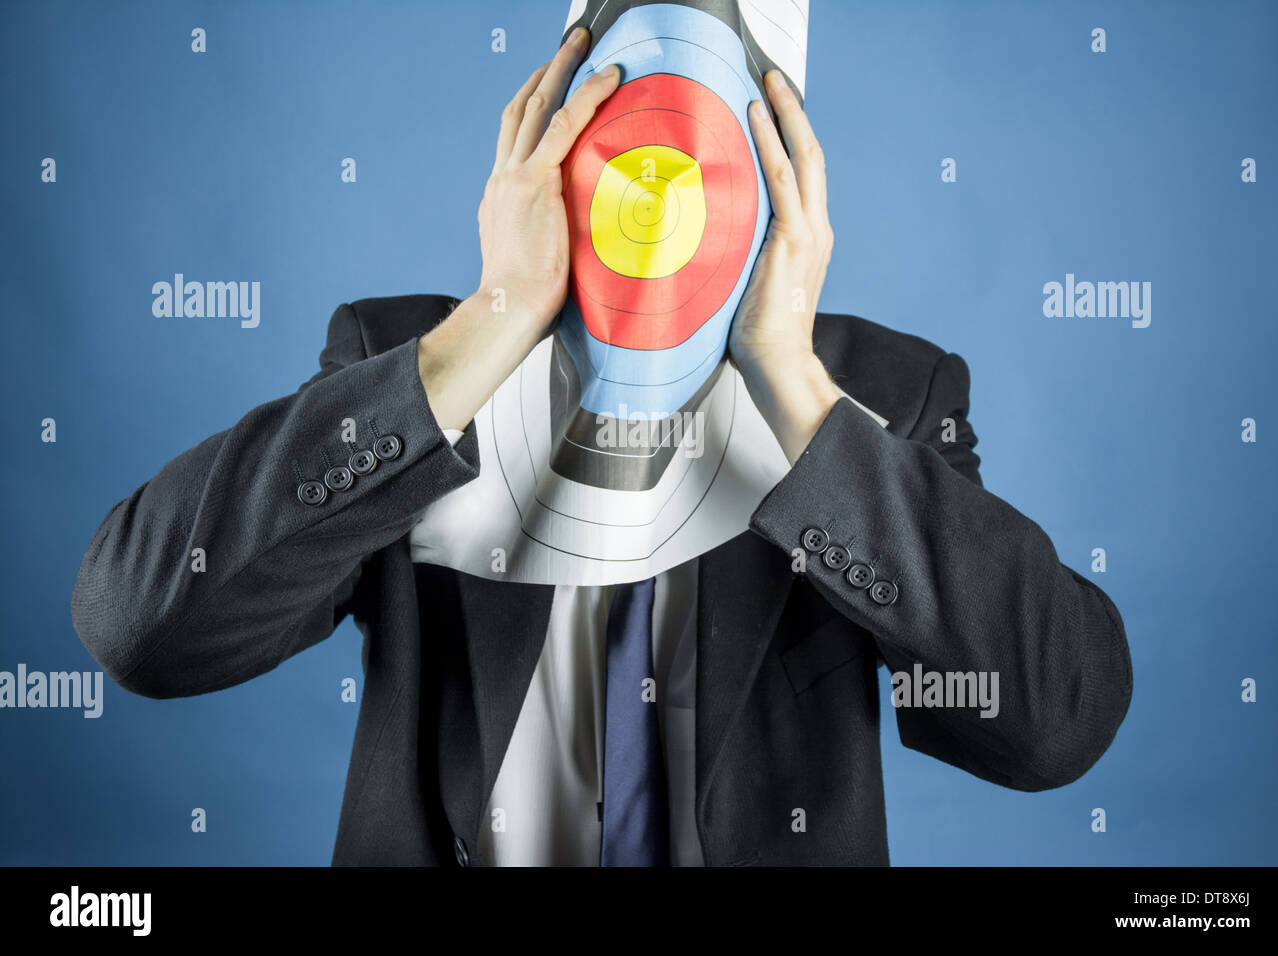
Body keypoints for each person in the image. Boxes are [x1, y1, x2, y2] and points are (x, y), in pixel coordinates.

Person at [71, 27, 1132, 866]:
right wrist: (484, 329)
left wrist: (802, 396)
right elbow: (142, 628)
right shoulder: (413, 363)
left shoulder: (885, 395)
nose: (658, 203)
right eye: (620, 159)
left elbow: (1052, 721)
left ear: (781, 174)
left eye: (703, 166)